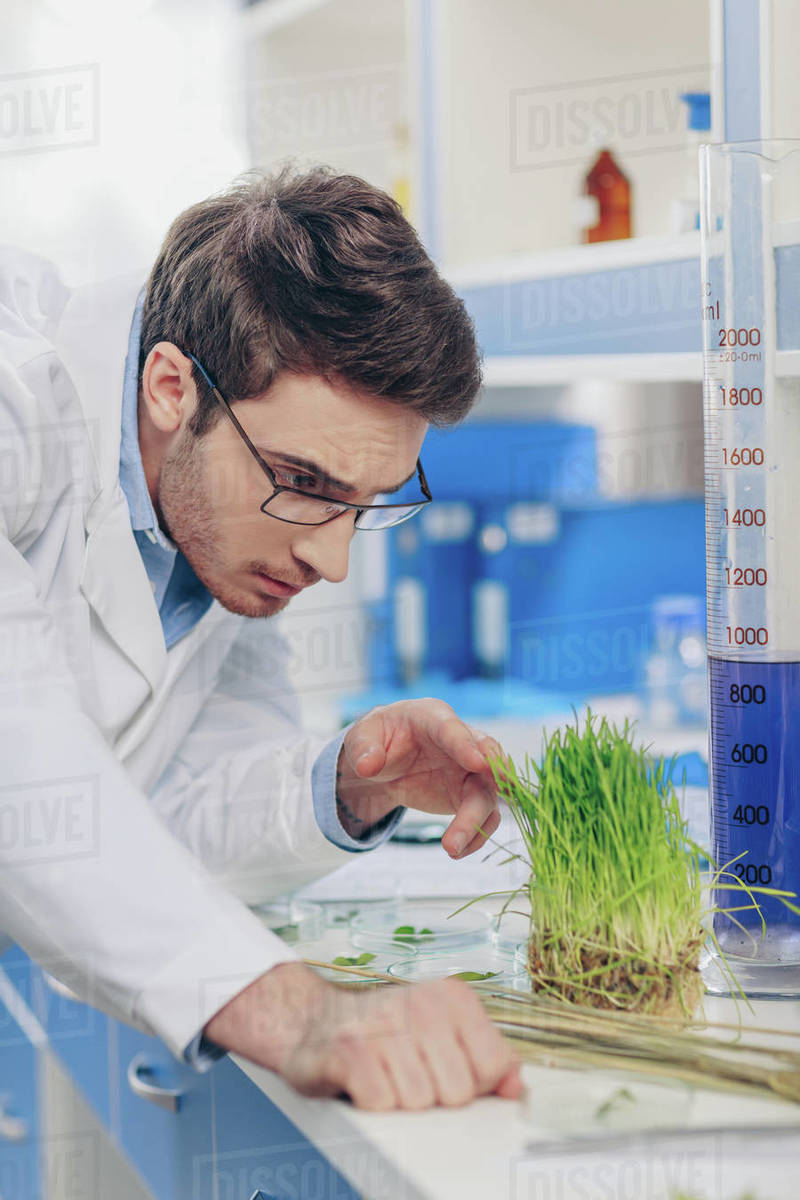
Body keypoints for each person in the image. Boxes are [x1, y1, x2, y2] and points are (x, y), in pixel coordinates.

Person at [0, 165, 522, 1111]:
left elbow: (176, 812)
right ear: (170, 387)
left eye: (366, 506)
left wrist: (348, 786)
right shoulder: (18, 401)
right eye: (307, 481)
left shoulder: (214, 526)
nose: (333, 561)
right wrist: (297, 1013)